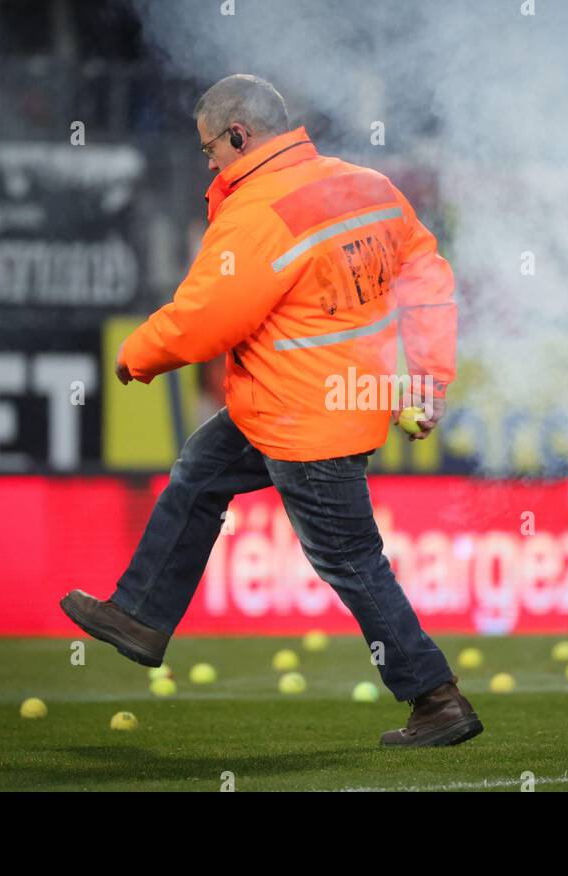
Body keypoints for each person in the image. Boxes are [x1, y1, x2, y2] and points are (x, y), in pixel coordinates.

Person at [60, 74, 481, 748]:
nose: (210, 164)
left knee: (351, 562)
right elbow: (427, 276)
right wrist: (428, 378)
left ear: (239, 134)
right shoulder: (367, 186)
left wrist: (135, 356)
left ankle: (436, 697)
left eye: (210, 150)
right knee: (200, 471)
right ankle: (140, 615)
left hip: (302, 422)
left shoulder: (260, 213)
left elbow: (206, 320)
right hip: (325, 404)